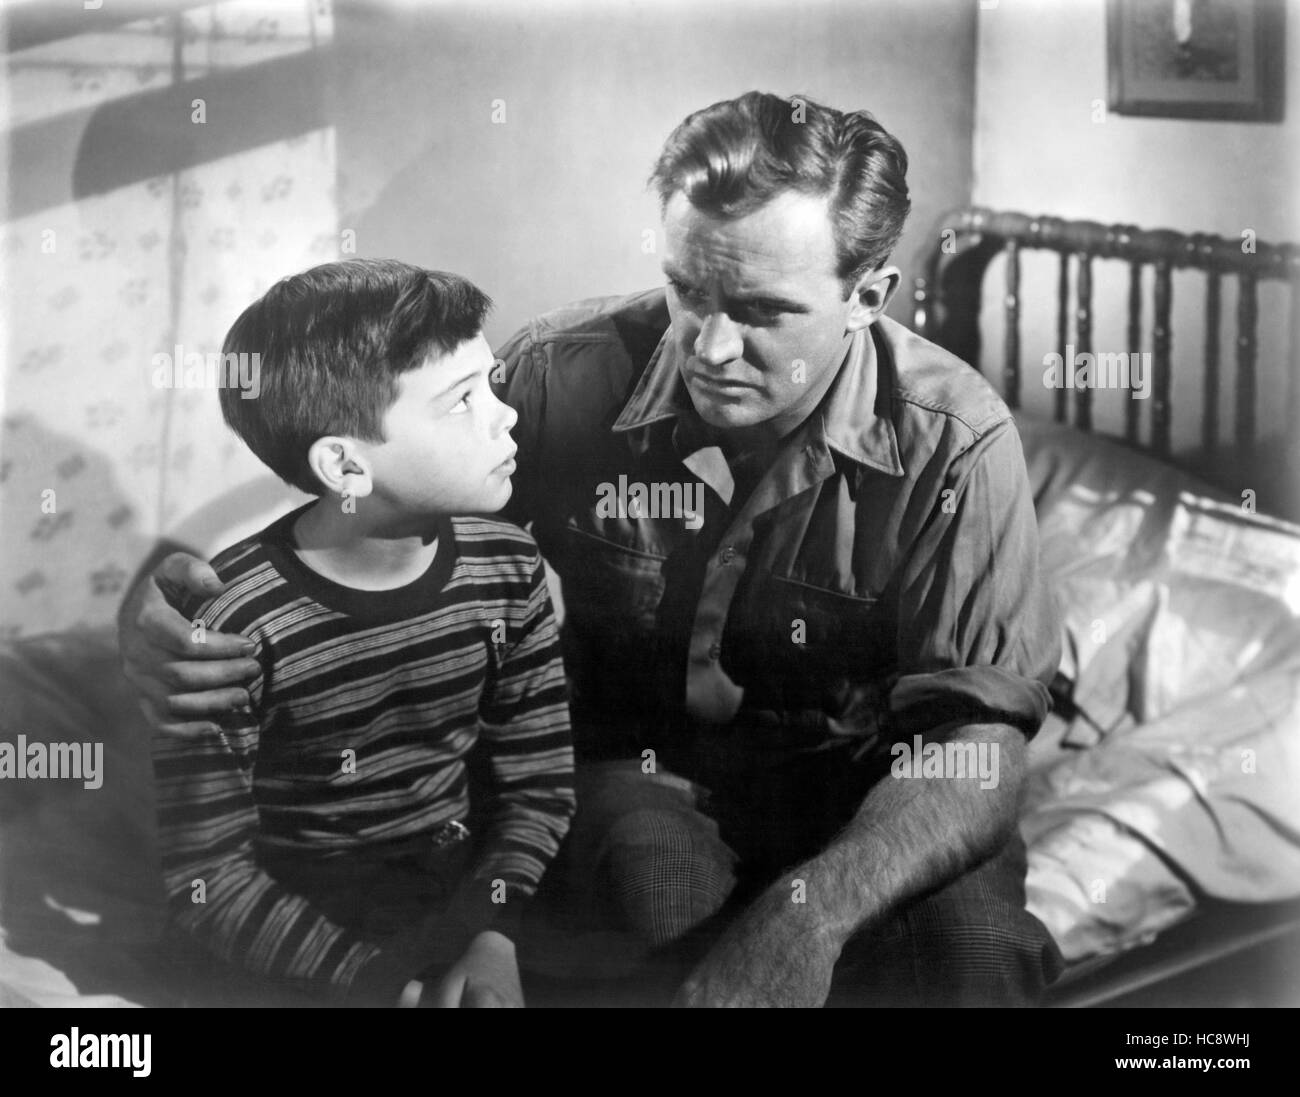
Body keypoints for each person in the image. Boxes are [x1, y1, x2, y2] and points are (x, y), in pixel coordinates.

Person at [121, 92, 1063, 1007]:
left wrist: (808, 919)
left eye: (764, 311)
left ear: (868, 297)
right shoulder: (562, 371)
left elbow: (974, 746)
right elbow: (353, 474)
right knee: (655, 898)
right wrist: (163, 598)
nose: (712, 345)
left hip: (872, 785)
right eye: (688, 290)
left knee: (974, 952)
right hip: (641, 764)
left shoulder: (957, 440)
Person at [149, 259, 575, 1007]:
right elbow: (209, 878)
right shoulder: (235, 624)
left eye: (493, 385)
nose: (504, 416)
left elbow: (537, 784)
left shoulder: (509, 566)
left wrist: (492, 931)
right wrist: (380, 982)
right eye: (462, 401)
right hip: (298, 929)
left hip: (467, 890)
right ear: (344, 464)